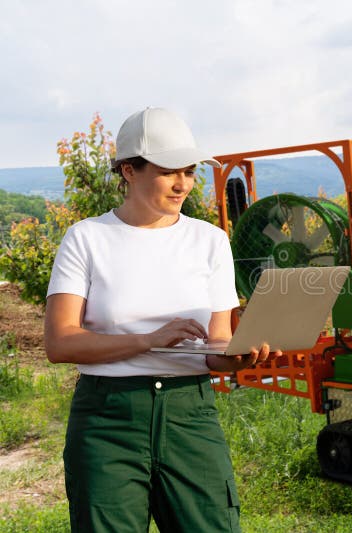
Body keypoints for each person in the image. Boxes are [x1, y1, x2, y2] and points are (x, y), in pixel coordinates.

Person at [44, 107, 272, 532]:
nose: (183, 183)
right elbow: (61, 343)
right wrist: (151, 339)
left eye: (188, 171)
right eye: (169, 171)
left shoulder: (210, 241)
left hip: (191, 414)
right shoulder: (87, 238)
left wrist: (240, 358)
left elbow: (216, 350)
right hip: (107, 416)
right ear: (129, 170)